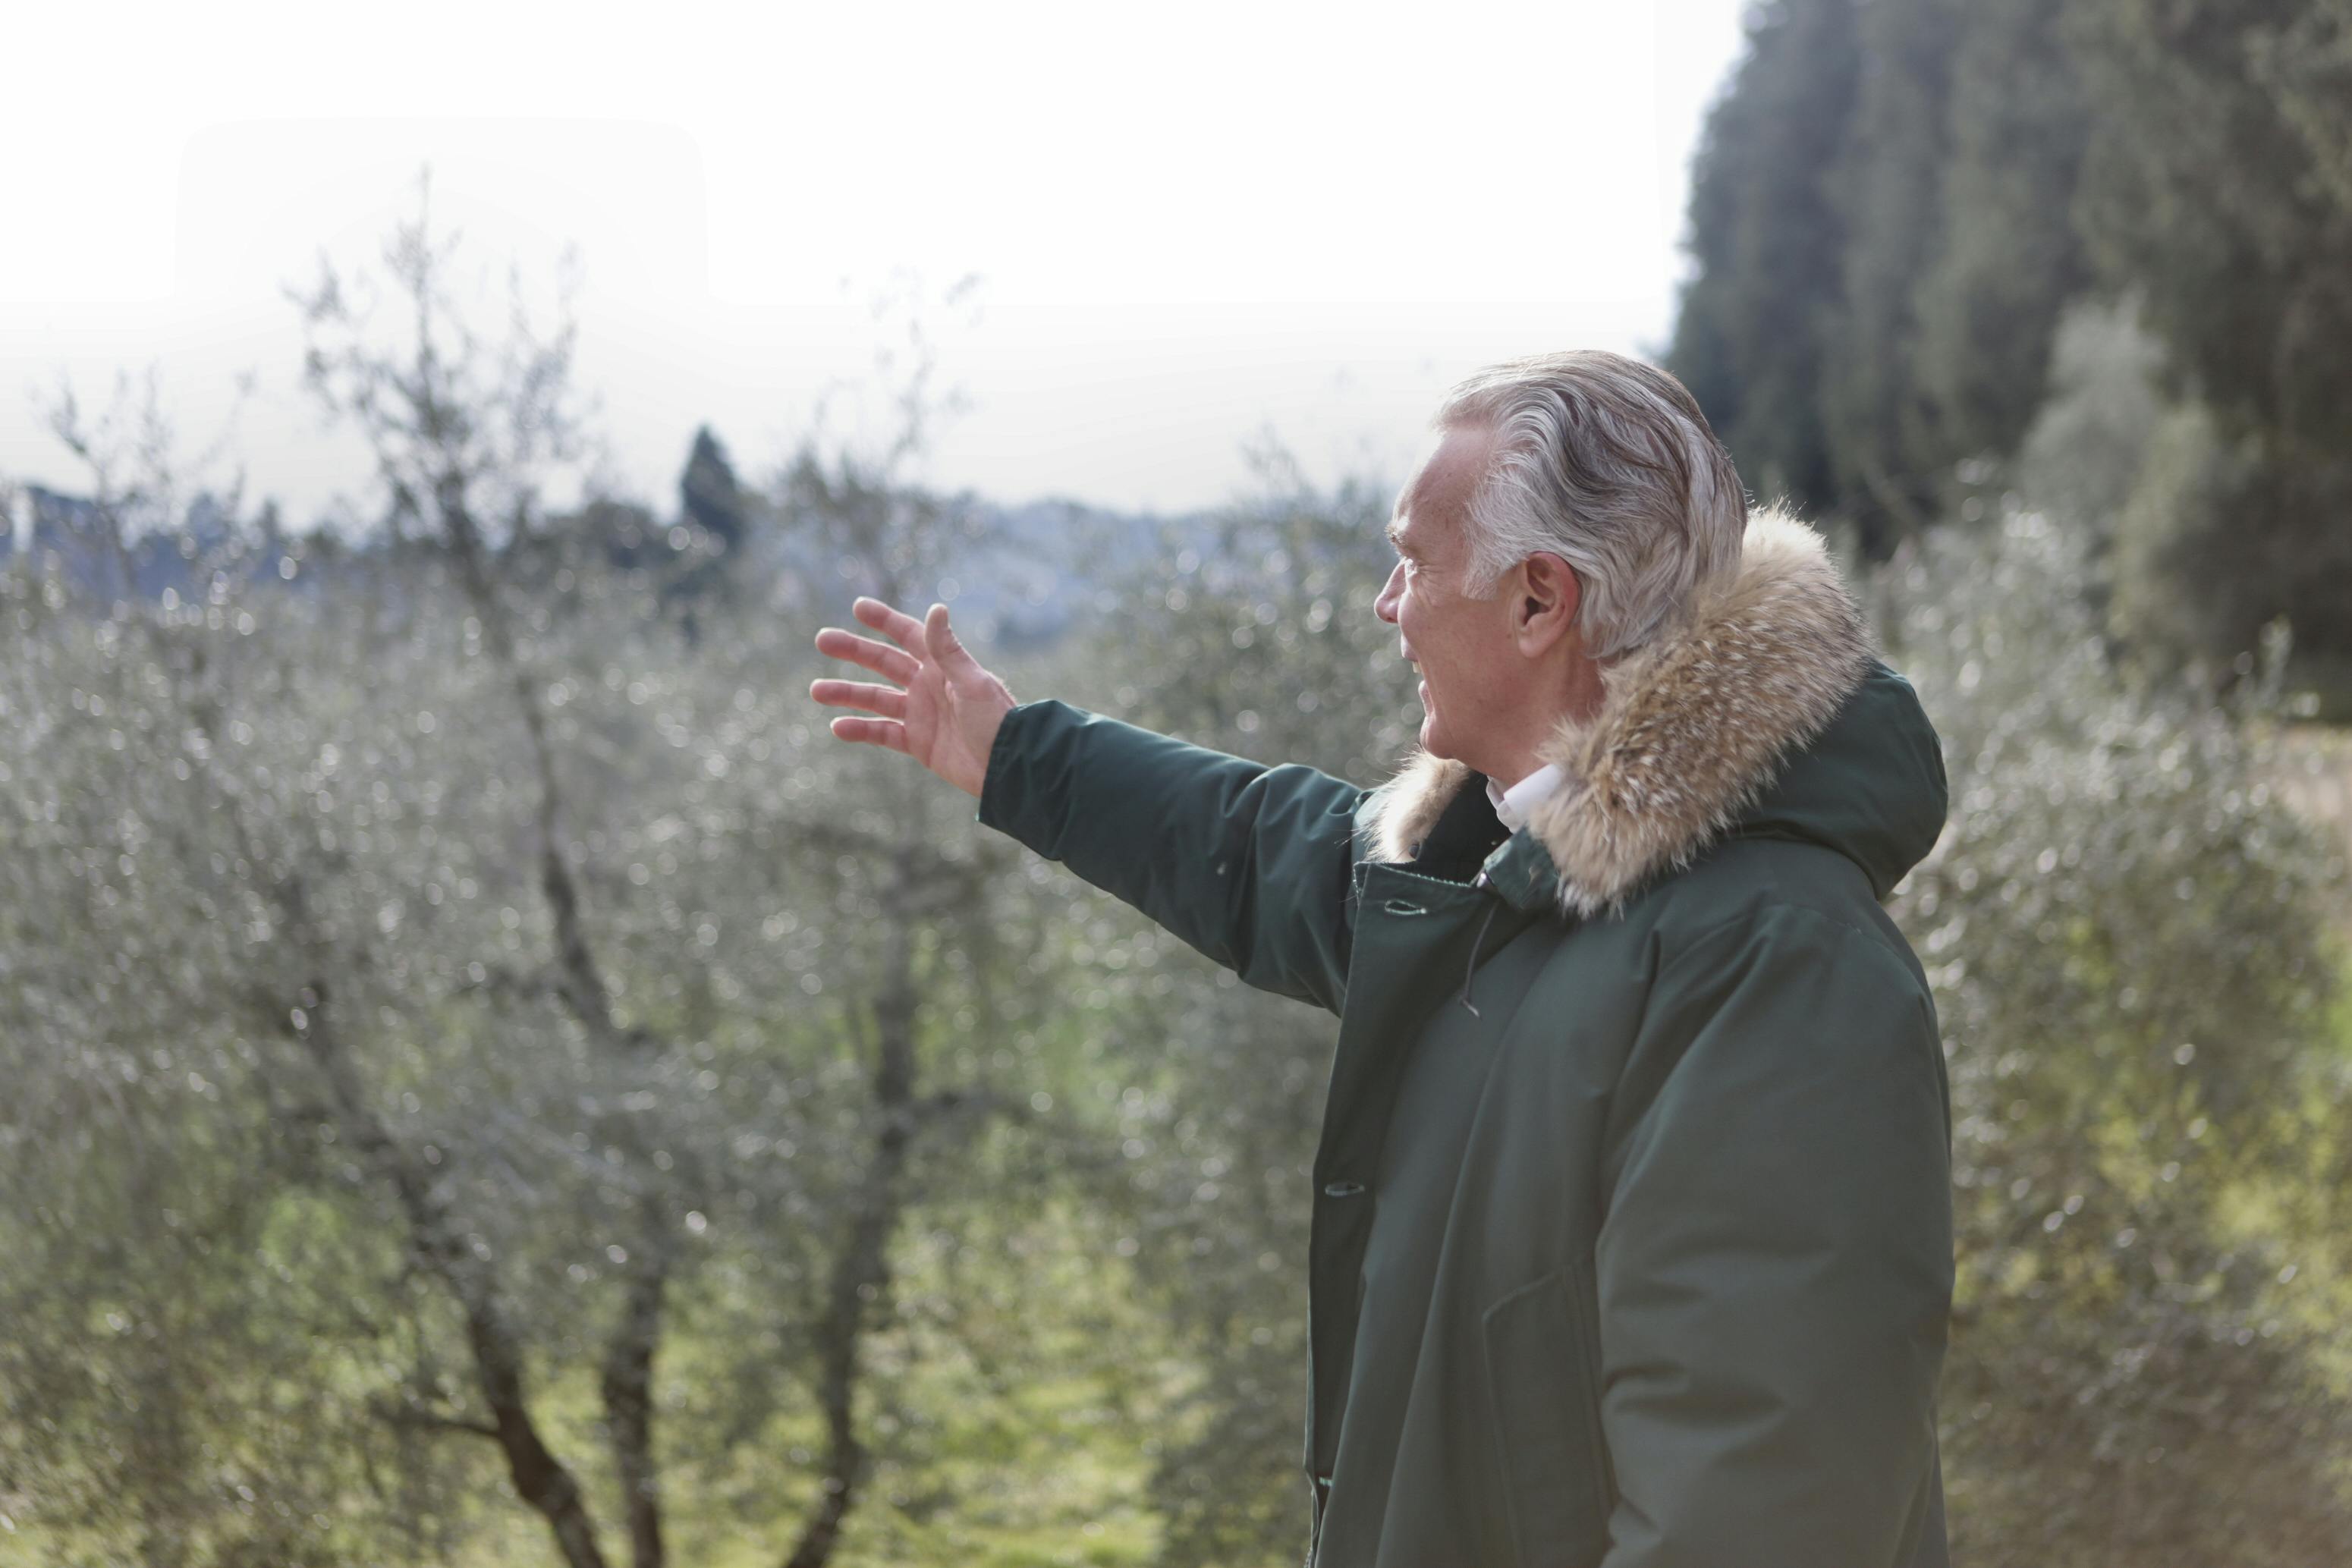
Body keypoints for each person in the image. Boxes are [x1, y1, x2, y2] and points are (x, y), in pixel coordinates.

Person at [811, 350, 1952, 1568]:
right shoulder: (1514, 880)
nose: (1387, 603)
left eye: (1413, 560)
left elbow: (1758, 1498)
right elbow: (1272, 853)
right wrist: (1019, 755)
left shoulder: (1775, 969)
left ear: (1538, 601)